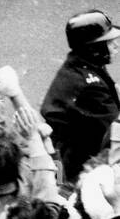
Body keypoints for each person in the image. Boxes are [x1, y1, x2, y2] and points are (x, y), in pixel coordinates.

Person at [41, 13, 120, 184]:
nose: (116, 46)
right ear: (94, 48)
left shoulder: (79, 64)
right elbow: (115, 130)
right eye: (109, 42)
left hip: (60, 155)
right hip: (76, 171)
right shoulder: (90, 86)